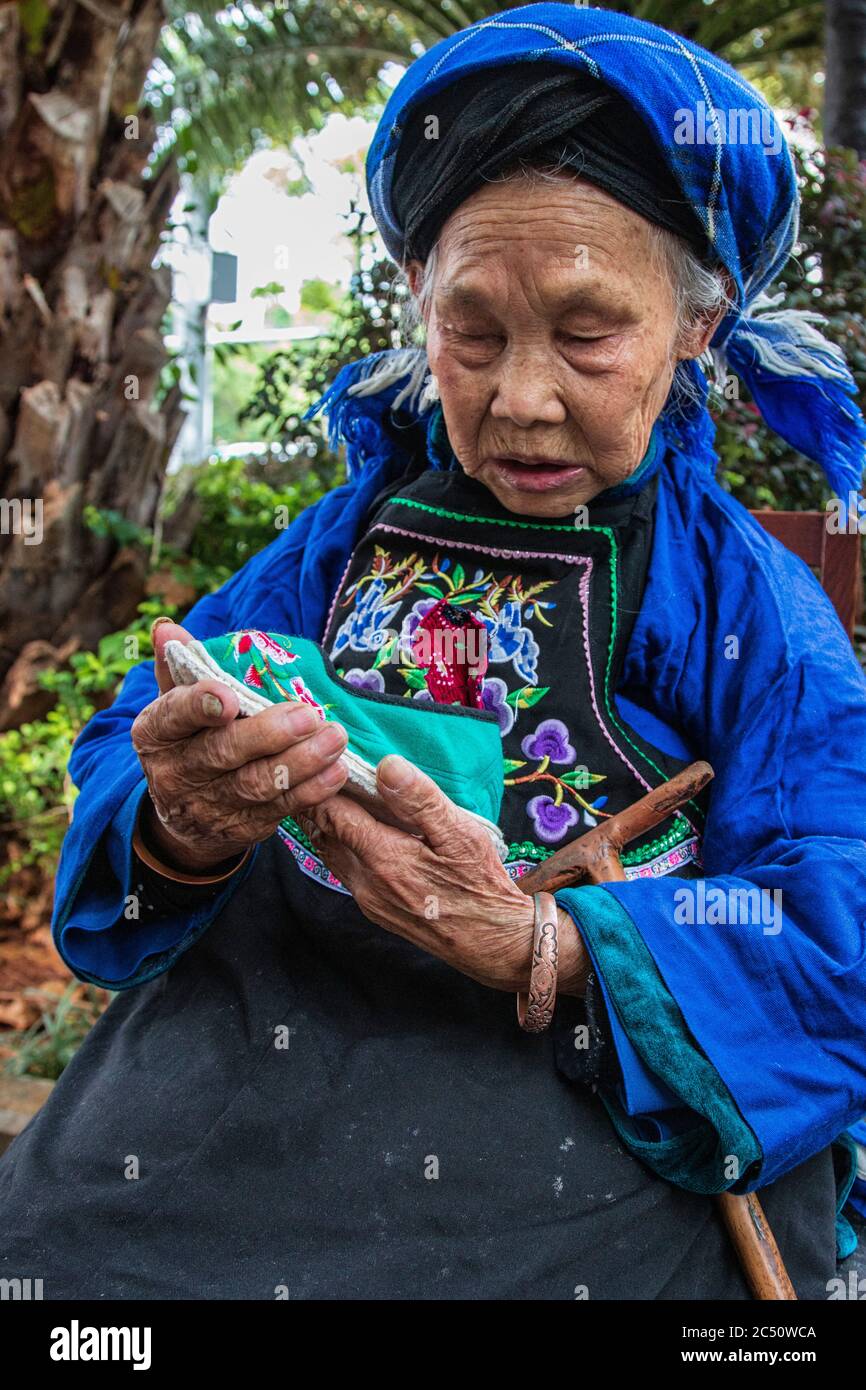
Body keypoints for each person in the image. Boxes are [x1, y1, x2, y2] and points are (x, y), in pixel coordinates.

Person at [2, 3, 865, 1300]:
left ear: (698, 322)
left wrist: (546, 945)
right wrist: (180, 810)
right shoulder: (332, 548)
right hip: (239, 1085)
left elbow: (840, 908)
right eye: (473, 332)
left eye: (586, 333)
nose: (521, 396)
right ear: (418, 298)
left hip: (549, 1125)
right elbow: (125, 753)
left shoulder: (743, 604)